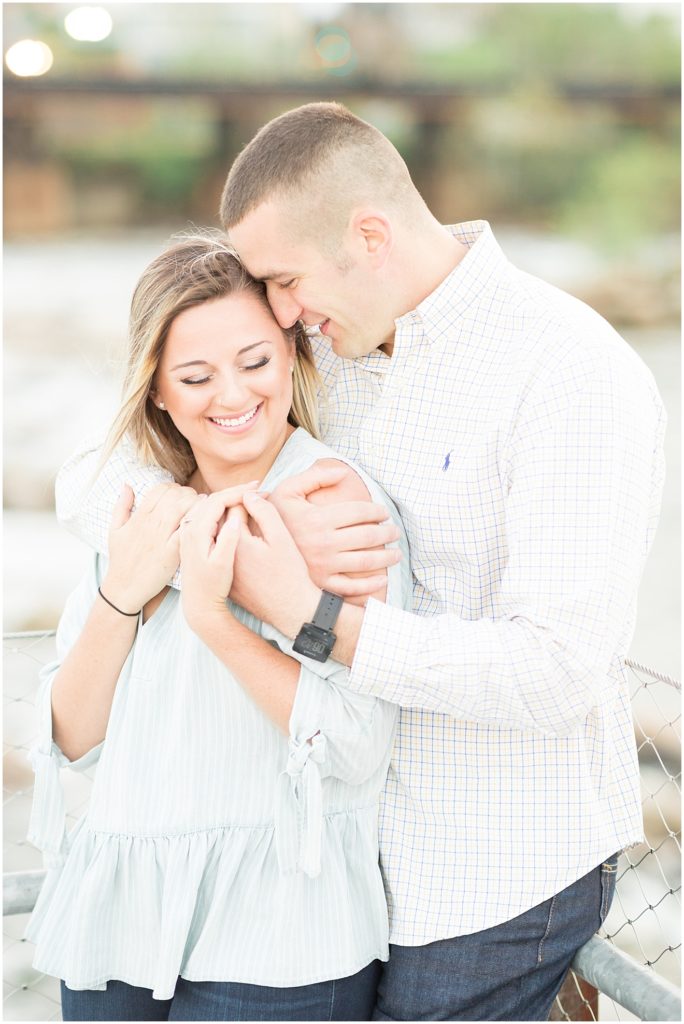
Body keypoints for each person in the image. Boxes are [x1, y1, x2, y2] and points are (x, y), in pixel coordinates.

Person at [55, 103, 666, 1022]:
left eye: (288, 280)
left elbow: (558, 669)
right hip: (325, 866)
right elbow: (102, 477)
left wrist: (314, 614)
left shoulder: (570, 371)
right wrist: (223, 530)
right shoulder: (329, 353)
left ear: (369, 235)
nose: (282, 312)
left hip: (485, 870)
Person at [26, 232, 412, 1022]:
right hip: (121, 915)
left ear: (293, 360)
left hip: (279, 927)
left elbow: (353, 742)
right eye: (196, 376)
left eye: (256, 362)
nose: (232, 396)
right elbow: (72, 738)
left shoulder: (339, 511)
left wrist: (213, 614)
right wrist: (124, 594)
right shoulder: (137, 511)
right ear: (158, 391)